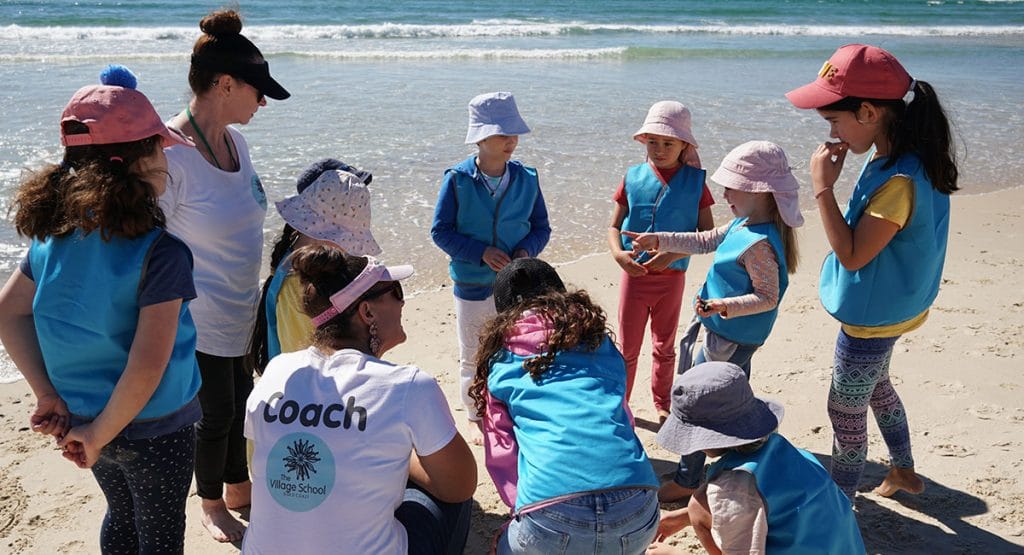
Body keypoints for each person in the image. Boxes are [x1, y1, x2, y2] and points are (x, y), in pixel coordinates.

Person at [0, 65, 202, 554]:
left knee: (123, 516)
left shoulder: (52, 240)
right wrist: (97, 434)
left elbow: (8, 313)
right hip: (156, 427)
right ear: (140, 162)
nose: (165, 161)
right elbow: (149, 363)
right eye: (159, 148)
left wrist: (50, 396)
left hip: (85, 416)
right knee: (159, 532)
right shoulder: (161, 252)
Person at [786, 43, 958, 500]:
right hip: (899, 305)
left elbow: (853, 255)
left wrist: (822, 188)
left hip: (872, 319)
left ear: (867, 112)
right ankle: (903, 471)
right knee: (878, 385)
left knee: (843, 411)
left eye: (832, 120)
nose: (830, 131)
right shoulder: (904, 157)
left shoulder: (898, 182)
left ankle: (838, 504)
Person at [243, 246, 476, 555]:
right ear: (367, 312)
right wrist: (395, 454)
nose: (403, 301)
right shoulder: (408, 386)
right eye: (395, 291)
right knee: (448, 489)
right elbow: (460, 484)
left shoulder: (279, 371)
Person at [159, 8, 290, 542]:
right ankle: (211, 504)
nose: (262, 102)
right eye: (256, 90)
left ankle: (238, 487)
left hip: (242, 308)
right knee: (213, 416)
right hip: (196, 318)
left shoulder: (240, 144)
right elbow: (149, 247)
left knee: (241, 407)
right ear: (225, 83)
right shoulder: (169, 154)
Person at [624, 140, 803, 502]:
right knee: (732, 401)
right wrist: (660, 239)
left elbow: (766, 297)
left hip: (727, 336)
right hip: (720, 329)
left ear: (760, 192)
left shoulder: (759, 245)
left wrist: (723, 305)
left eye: (732, 187)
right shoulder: (743, 223)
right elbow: (704, 240)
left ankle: (689, 478)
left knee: (699, 401)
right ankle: (742, 459)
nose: (723, 194)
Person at [469, 258, 660, 554]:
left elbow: (502, 452)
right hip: (639, 505)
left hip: (554, 518)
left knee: (504, 546)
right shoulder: (599, 344)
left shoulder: (501, 361)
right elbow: (622, 417)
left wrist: (520, 509)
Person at [431, 92, 551, 445]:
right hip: (471, 283)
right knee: (472, 352)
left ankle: (509, 408)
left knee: (516, 349)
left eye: (514, 133)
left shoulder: (527, 178)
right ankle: (473, 415)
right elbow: (440, 231)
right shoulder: (457, 179)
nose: (511, 140)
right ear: (480, 139)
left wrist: (526, 251)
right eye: (503, 134)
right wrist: (480, 252)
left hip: (517, 285)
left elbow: (541, 227)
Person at [647, 362, 865, 554]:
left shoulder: (733, 486)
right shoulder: (789, 452)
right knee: (698, 507)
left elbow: (742, 499)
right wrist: (681, 518)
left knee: (699, 505)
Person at [607, 100, 715, 422]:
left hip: (671, 280)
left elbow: (708, 235)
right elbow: (614, 226)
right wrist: (618, 254)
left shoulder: (696, 182)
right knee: (627, 348)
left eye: (668, 142)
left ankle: (661, 402)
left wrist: (674, 254)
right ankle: (621, 403)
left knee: (664, 346)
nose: (660, 148)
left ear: (684, 144)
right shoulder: (633, 177)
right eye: (653, 141)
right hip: (634, 277)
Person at [248, 158, 379, 373]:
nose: (350, 250)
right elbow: (301, 360)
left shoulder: (297, 263)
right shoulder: (299, 284)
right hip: (306, 393)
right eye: (347, 241)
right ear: (325, 235)